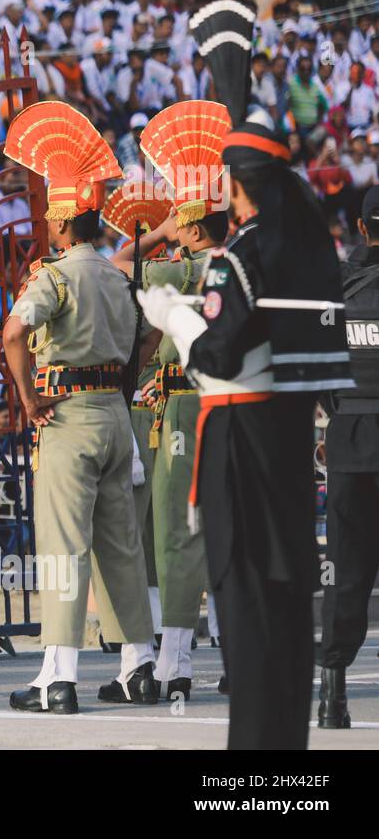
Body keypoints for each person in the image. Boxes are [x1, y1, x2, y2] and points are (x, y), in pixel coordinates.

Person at [140, 107, 353, 749]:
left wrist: (175, 320)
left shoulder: (242, 255)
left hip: (241, 443)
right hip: (284, 442)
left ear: (240, 184)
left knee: (248, 605)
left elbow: (219, 357)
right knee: (282, 615)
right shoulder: (308, 247)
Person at [1, 102, 159, 714]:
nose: (47, 224)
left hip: (67, 415)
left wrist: (29, 397)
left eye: (50, 216)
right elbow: (147, 338)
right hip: (116, 416)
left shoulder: (57, 274)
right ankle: (139, 667)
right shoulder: (120, 276)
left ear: (65, 219)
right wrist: (124, 390)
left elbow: (14, 334)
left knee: (65, 545)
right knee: (122, 544)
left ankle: (57, 678)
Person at [111, 101, 231, 699]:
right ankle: (227, 653)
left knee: (171, 535)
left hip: (185, 407)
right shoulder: (235, 265)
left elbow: (117, 266)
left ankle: (174, 663)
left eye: (179, 220)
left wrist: (155, 232)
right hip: (233, 406)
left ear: (189, 222)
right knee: (226, 530)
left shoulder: (184, 272)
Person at [316, 186, 379, 729]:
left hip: (349, 440)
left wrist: (332, 415)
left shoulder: (336, 284)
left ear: (361, 229)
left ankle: (331, 695)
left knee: (347, 572)